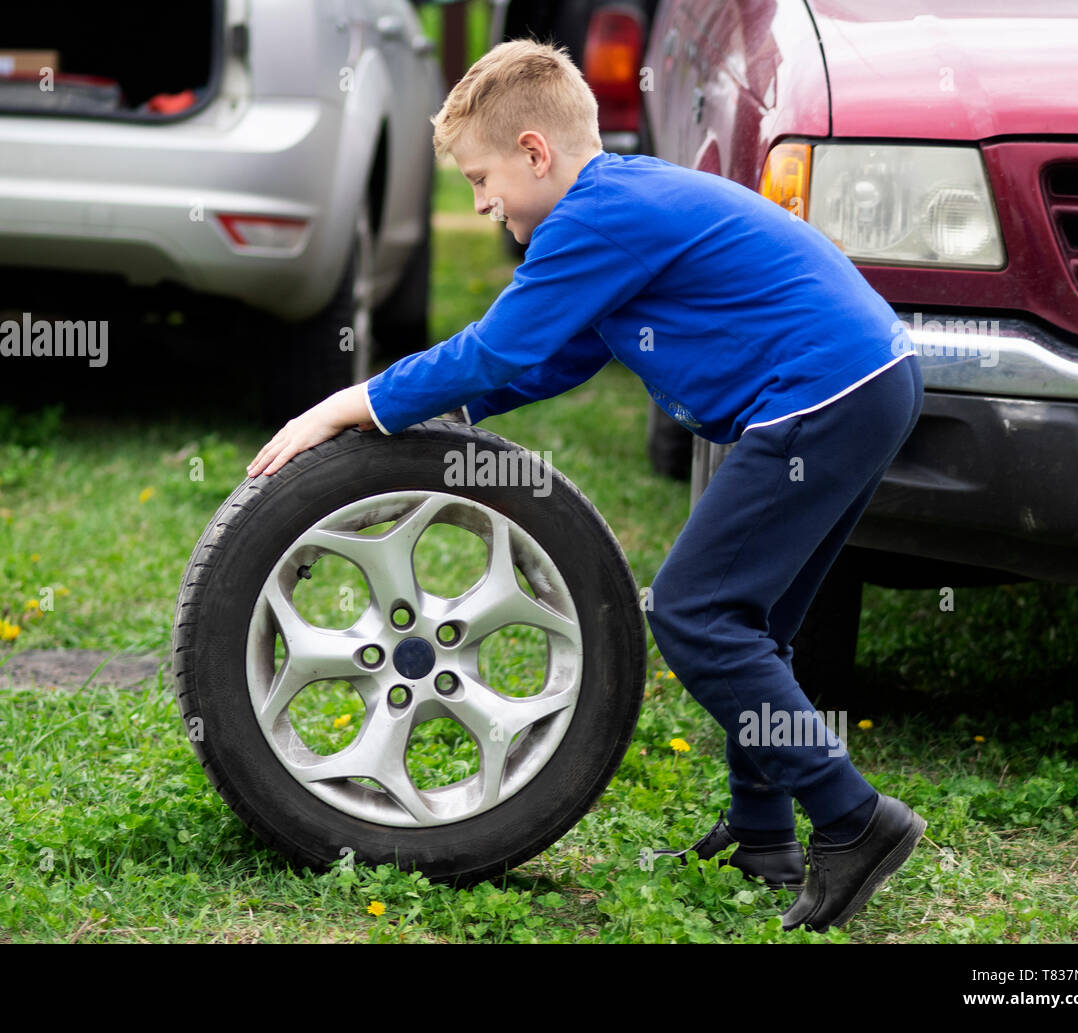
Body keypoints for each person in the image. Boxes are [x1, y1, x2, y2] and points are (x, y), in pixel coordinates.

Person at [246, 38, 927, 933]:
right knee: (755, 624)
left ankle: (853, 818)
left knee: (695, 610)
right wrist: (447, 418)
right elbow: (550, 358)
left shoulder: (591, 219)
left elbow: (499, 344)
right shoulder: (614, 204)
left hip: (822, 395)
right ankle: (764, 836)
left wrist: (356, 402)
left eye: (483, 179)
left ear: (535, 152)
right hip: (869, 381)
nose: (483, 203)